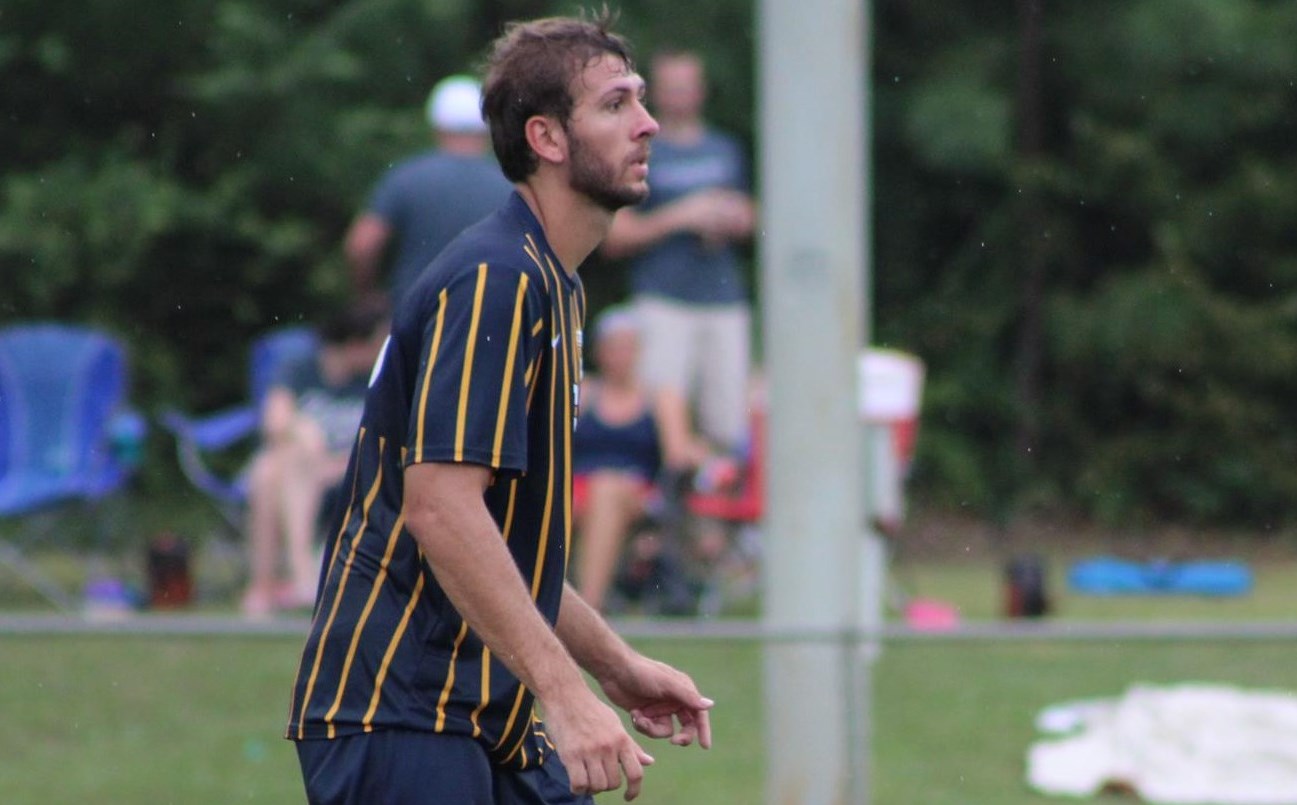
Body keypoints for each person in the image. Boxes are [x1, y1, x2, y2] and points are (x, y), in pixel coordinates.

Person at [287, 13, 713, 804]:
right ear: (547, 138)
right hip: (399, 711)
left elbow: (511, 544)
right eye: (617, 104)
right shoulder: (496, 279)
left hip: (483, 718)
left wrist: (615, 667)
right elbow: (441, 509)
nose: (648, 124)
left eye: (642, 101)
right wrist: (567, 693)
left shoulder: (554, 282)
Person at [601, 48, 757, 469]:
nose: (679, 97)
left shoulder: (725, 149)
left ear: (701, 91)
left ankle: (719, 521)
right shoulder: (641, 149)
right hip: (663, 298)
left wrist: (732, 219)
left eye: (686, 87)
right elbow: (614, 238)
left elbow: (751, 217)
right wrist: (682, 217)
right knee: (663, 412)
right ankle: (665, 512)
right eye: (670, 88)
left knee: (728, 421)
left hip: (723, 299)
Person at [240, 297, 389, 618]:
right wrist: (304, 432)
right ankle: (299, 577)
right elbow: (275, 422)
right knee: (270, 469)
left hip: (354, 474)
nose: (381, 350)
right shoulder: (301, 369)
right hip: (304, 472)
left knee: (270, 471)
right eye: (376, 342)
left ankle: (272, 584)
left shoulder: (378, 380)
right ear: (354, 343)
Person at [344, 74, 514, 306]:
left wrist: (367, 296)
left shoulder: (405, 178)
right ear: (485, 128)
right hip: (488, 319)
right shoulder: (509, 186)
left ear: (436, 126)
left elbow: (362, 245)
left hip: (416, 318)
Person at [571, 305, 662, 612]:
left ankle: (589, 606)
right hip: (580, 489)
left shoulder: (658, 399)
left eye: (628, 348)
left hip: (637, 491)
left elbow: (678, 455)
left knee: (606, 489)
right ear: (600, 352)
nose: (621, 357)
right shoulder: (583, 394)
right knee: (595, 490)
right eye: (614, 348)